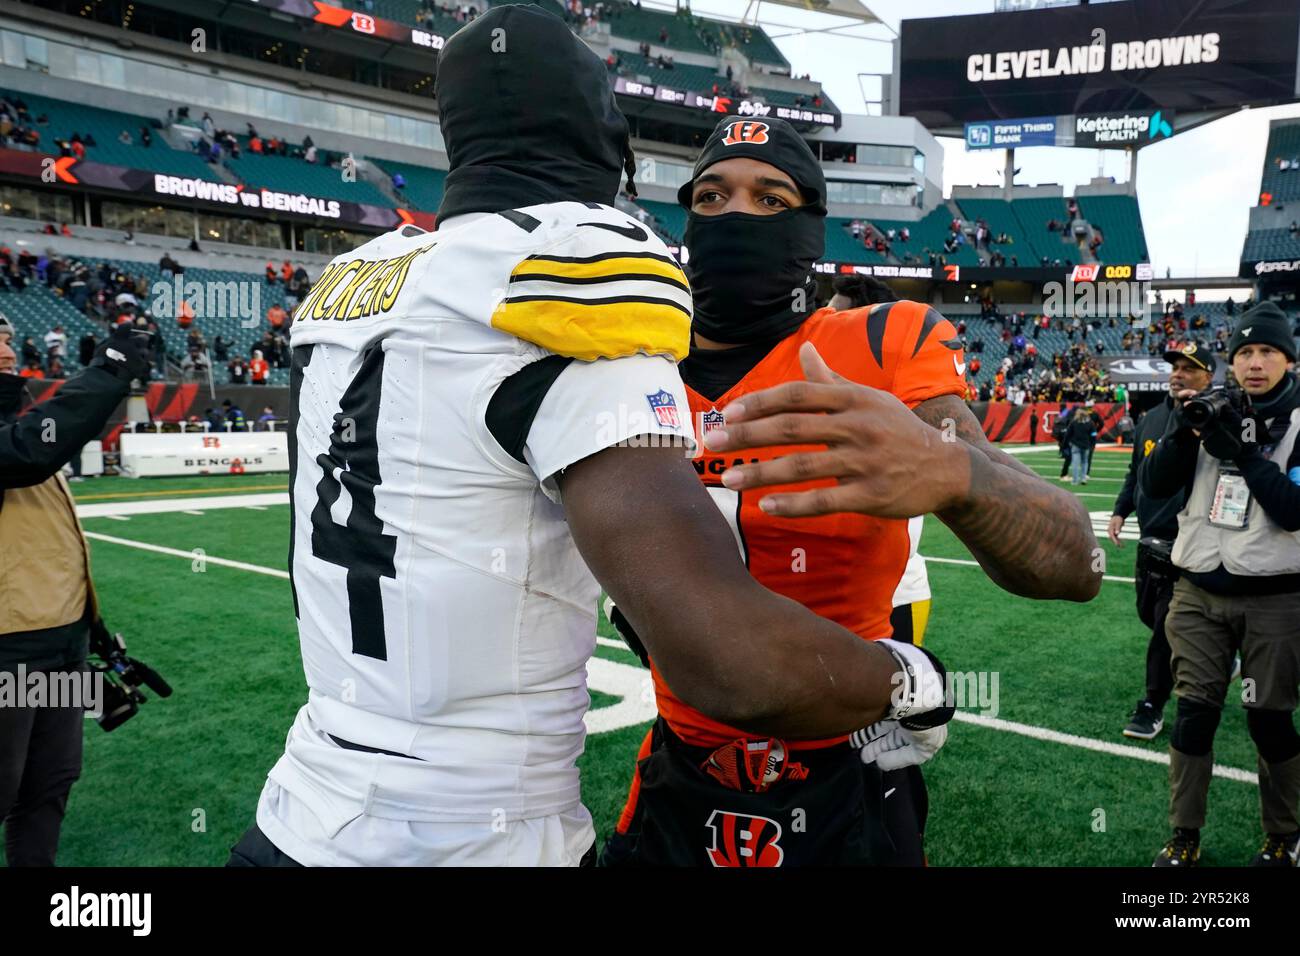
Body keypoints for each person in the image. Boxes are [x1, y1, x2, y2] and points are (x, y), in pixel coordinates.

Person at [228, 6, 953, 870]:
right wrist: (908, 681)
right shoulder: (575, 268)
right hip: (477, 834)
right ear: (602, 130)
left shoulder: (356, 278)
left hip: (299, 811)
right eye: (714, 196)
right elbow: (732, 663)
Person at [602, 118, 1098, 868]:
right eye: (711, 195)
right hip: (682, 755)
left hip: (849, 757)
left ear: (809, 227)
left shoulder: (879, 343)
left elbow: (1075, 565)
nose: (736, 214)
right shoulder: (630, 362)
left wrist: (953, 473)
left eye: (770, 199)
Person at [1140, 302, 1300, 868]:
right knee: (1194, 713)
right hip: (1198, 590)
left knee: (1268, 717)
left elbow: (1292, 509)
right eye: (1244, 353)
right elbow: (1155, 485)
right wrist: (1187, 431)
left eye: (1267, 352)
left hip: (1274, 596)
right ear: (1231, 362)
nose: (1255, 363)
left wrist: (1246, 454)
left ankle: (1284, 835)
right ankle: (1184, 835)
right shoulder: (1214, 407)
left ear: (1288, 358)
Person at [0, 320, 151, 865]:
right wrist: (109, 369)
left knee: (49, 787)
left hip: (60, 650)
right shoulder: (24, 437)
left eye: (9, 338)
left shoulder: (21, 425)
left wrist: (95, 634)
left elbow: (38, 553)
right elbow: (32, 449)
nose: (8, 348)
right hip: (9, 657)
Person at [1108, 344, 1215, 740]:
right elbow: (1136, 470)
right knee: (1150, 616)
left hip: (1191, 541)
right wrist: (1121, 509)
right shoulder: (1152, 418)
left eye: (1190, 369)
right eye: (1175, 368)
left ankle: (1152, 703)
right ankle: (1223, 654)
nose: (1178, 374)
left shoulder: (1217, 420)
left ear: (1208, 377)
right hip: (1150, 540)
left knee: (1167, 626)